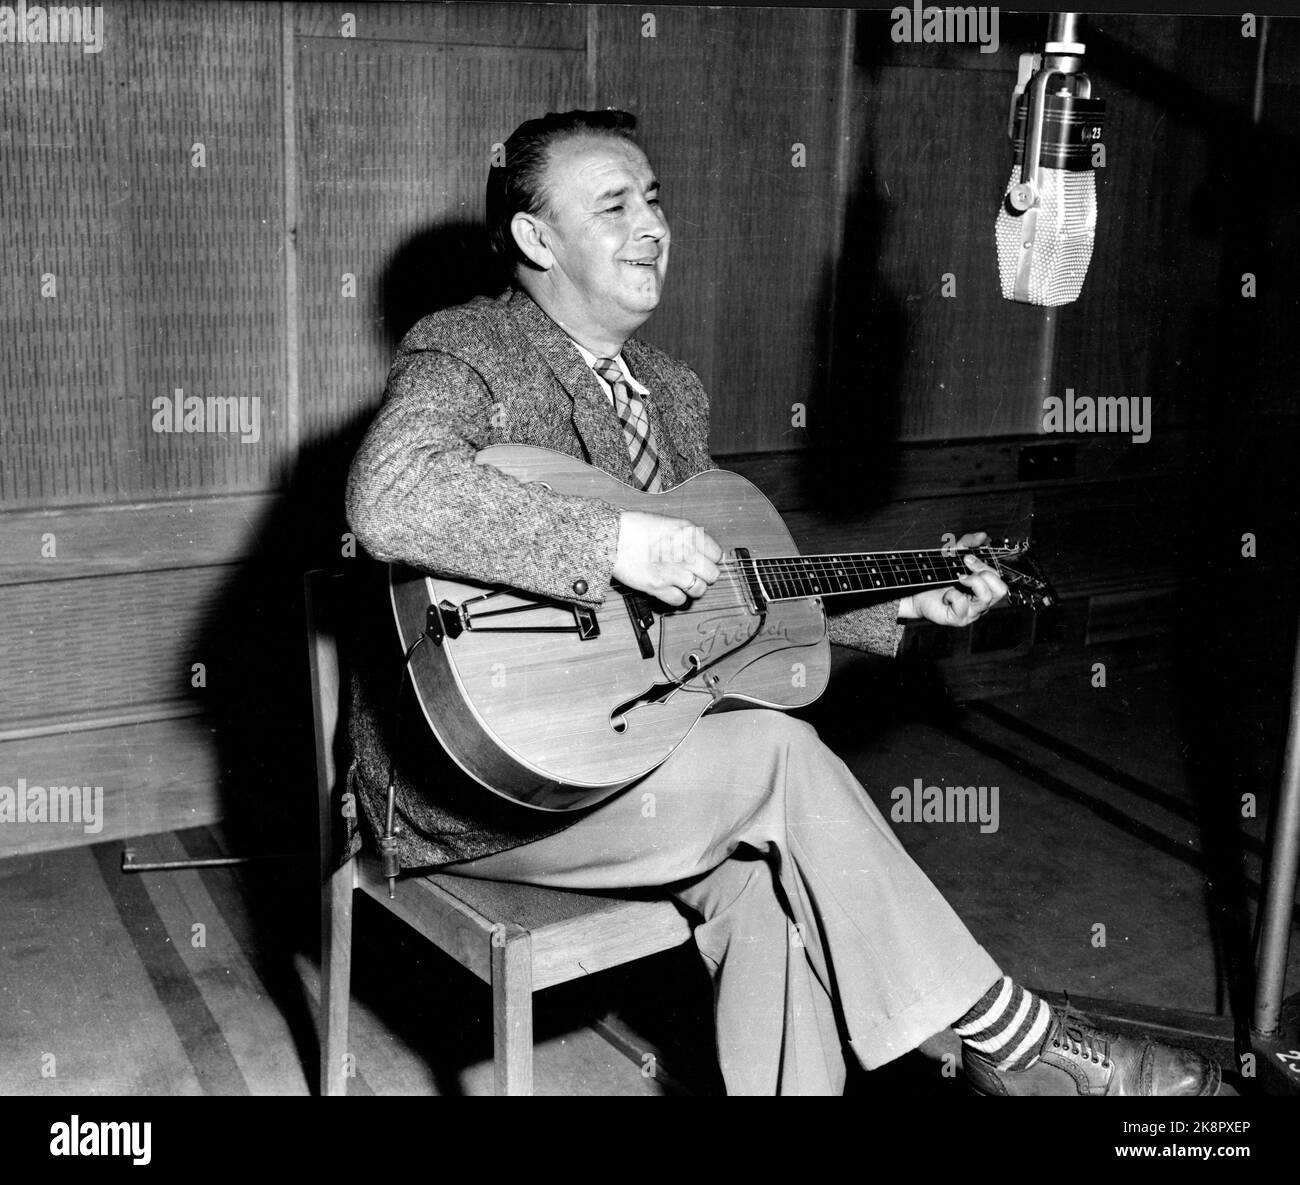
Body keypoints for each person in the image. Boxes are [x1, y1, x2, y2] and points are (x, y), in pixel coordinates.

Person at [344, 108, 1220, 1096]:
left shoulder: (671, 391)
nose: (652, 225)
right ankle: (1009, 1039)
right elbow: (390, 495)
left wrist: (901, 612)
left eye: (657, 200)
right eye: (615, 204)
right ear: (536, 238)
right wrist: (613, 542)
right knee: (776, 758)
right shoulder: (468, 348)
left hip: (633, 765)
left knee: (777, 885)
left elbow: (715, 623)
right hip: (480, 792)